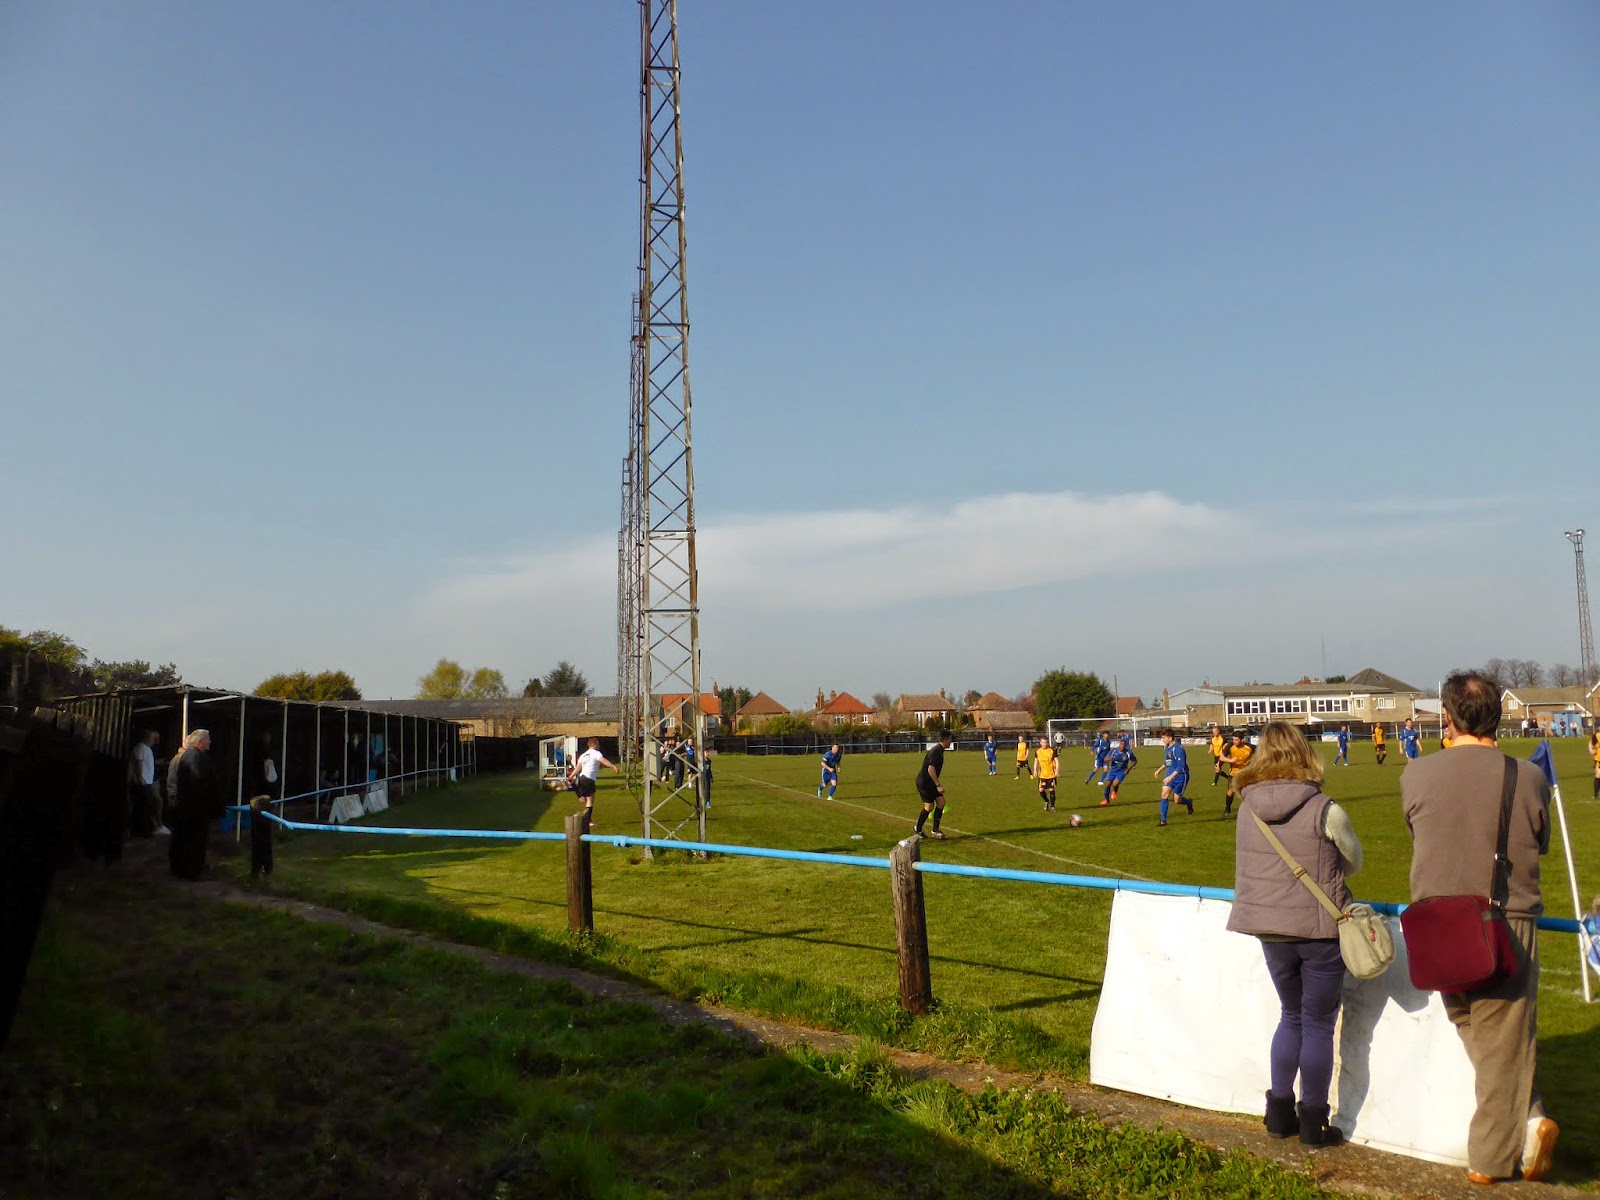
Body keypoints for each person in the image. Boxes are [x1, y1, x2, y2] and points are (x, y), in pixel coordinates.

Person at [1402, 672, 1556, 1185]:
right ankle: (1494, 1157)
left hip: (1438, 922)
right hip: (1503, 916)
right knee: (1502, 1035)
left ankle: (1528, 1124)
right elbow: (1541, 838)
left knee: (1480, 1029)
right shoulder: (1529, 777)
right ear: (1498, 715)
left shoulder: (1416, 775)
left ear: (1447, 717)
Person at [1226, 721, 1363, 1148]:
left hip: (1270, 929)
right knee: (1319, 1025)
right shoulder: (1324, 807)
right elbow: (1353, 859)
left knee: (1291, 1016)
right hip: (1319, 929)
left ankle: (1278, 1113)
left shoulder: (1247, 806)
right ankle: (1313, 1122)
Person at [170, 729, 221, 880]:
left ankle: (186, 869)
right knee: (194, 841)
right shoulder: (193, 757)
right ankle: (192, 871)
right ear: (200, 741)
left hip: (192, 808)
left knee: (189, 840)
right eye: (208, 739)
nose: (210, 742)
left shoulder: (193, 756)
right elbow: (198, 781)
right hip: (195, 809)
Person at [127, 729, 168, 837]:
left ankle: (147, 828)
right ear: (147, 737)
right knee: (142, 806)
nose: (154, 740)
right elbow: (139, 763)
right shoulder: (141, 747)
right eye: (152, 738)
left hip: (148, 781)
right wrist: (140, 777)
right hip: (143, 782)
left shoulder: (147, 748)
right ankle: (143, 830)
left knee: (146, 805)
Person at [567, 737, 618, 824]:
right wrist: (613, 766)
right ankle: (588, 821)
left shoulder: (583, 755)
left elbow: (578, 768)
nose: (599, 746)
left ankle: (581, 798)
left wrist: (571, 776)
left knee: (589, 799)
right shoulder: (596, 753)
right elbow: (603, 760)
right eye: (598, 744)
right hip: (589, 779)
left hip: (582, 778)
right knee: (590, 800)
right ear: (594, 745)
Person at [914, 729, 953, 839]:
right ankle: (918, 828)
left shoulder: (939, 751)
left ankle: (935, 830)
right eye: (950, 739)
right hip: (925, 782)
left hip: (930, 782)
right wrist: (938, 785)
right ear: (945, 740)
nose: (951, 742)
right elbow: (931, 769)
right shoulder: (935, 751)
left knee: (941, 803)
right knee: (929, 807)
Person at [1154, 728, 1192, 824]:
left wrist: (1170, 777)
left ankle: (1188, 802)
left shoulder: (1178, 749)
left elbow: (1181, 766)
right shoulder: (1167, 748)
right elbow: (1168, 761)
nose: (1163, 740)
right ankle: (1163, 820)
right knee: (1164, 795)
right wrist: (1159, 770)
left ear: (1170, 738)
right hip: (1170, 773)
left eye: (1164, 738)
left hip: (1181, 776)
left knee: (1177, 800)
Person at [1222, 732, 1254, 816]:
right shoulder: (1230, 746)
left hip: (1246, 773)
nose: (1234, 741)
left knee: (1248, 791)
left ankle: (1251, 810)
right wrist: (1230, 760)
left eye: (1236, 740)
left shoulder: (1250, 747)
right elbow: (1222, 757)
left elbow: (1262, 753)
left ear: (1242, 740)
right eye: (1233, 739)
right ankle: (1227, 808)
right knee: (1230, 792)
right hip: (1234, 773)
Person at [1100, 736, 1135, 806]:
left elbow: (1134, 761)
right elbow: (1105, 759)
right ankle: (1106, 800)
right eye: (1121, 744)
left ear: (1125, 746)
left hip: (1122, 771)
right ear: (1119, 744)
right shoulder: (1113, 751)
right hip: (1113, 771)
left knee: (1115, 783)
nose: (1122, 746)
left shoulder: (1128, 753)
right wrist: (1110, 759)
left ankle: (1115, 791)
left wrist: (1128, 769)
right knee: (1107, 785)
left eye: (1123, 745)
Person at [1033, 736, 1058, 811]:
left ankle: (1053, 807)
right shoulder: (1038, 751)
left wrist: (1057, 771)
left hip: (1051, 774)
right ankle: (1046, 801)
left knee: (1051, 790)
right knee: (1041, 790)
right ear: (1040, 743)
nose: (1045, 744)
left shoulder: (1051, 750)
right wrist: (1034, 770)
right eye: (1043, 742)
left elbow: (1057, 761)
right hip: (1042, 775)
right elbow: (1036, 761)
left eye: (1046, 742)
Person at [1590, 731, 1600, 800]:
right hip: (1599, 760)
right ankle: (1595, 794)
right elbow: (1592, 749)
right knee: (1598, 776)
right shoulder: (1596, 735)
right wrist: (1592, 749)